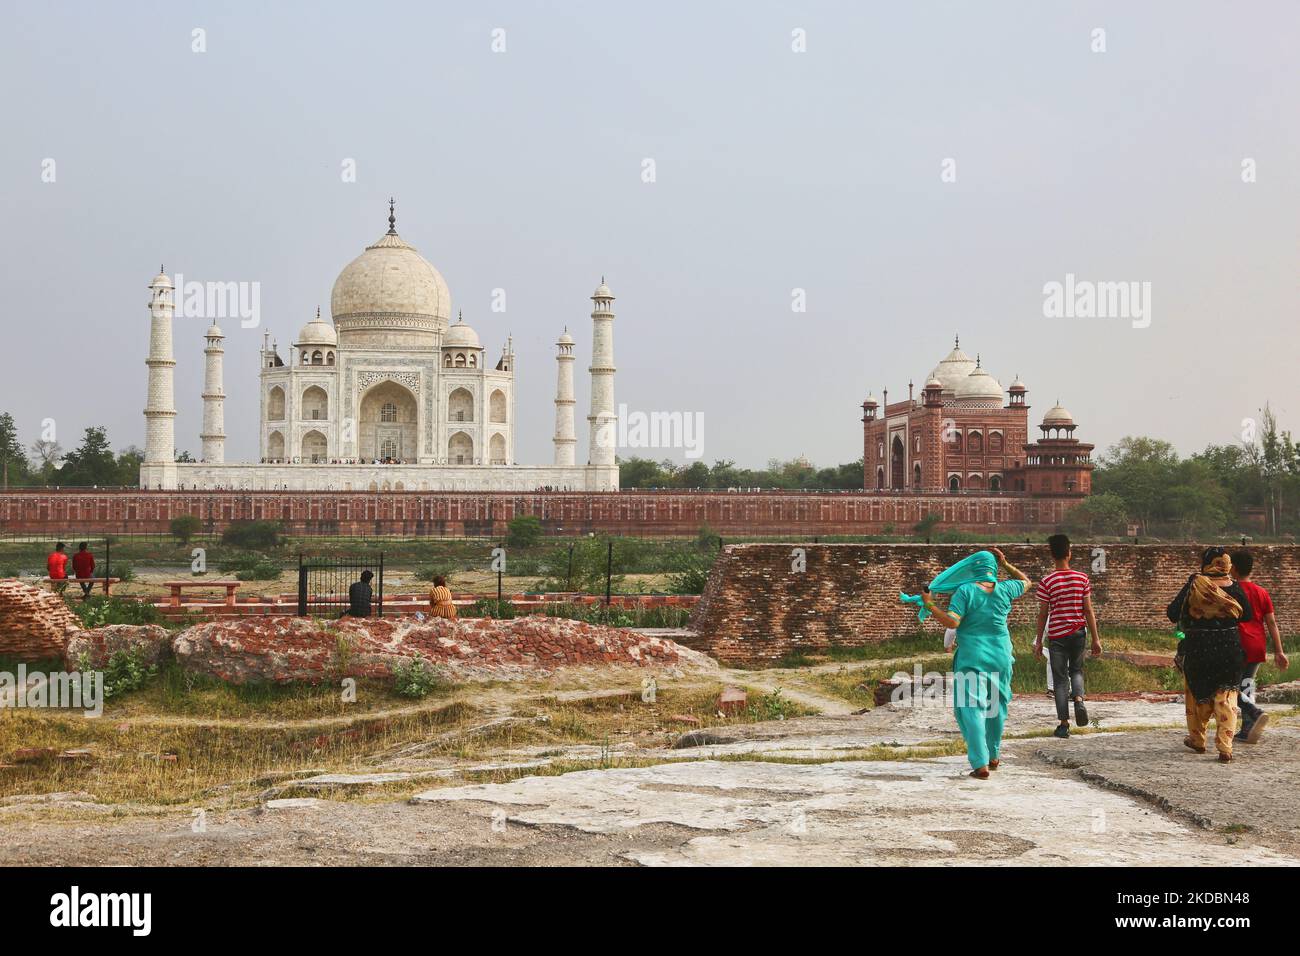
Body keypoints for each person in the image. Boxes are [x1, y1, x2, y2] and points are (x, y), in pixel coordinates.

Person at [902, 547, 1031, 780]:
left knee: (971, 707)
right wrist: (1006, 564)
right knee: (997, 706)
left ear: (974, 569)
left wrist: (929, 604)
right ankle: (994, 755)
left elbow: (952, 623)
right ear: (993, 569)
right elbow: (1027, 581)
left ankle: (980, 763)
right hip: (1001, 654)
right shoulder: (1005, 589)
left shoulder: (965, 591)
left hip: (973, 656)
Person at [1167, 547, 1251, 762]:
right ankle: (1225, 746)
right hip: (1228, 647)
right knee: (1227, 694)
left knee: (1197, 693)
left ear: (1206, 563)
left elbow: (1173, 613)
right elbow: (1247, 614)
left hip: (1198, 646)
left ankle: (1198, 740)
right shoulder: (1235, 587)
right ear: (1226, 564)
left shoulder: (1196, 584)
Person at [1034, 534, 1103, 738]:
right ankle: (1079, 700)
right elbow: (1088, 610)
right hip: (1078, 632)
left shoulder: (1047, 581)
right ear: (1069, 553)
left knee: (1060, 679)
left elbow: (1043, 614)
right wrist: (1096, 639)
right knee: (1077, 671)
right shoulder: (1082, 578)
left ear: (1051, 555)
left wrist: (1039, 641)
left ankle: (1064, 724)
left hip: (1057, 636)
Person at [1230, 550, 1289, 744]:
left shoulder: (1230, 590)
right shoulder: (1261, 592)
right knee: (1247, 685)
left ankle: (1254, 712)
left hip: (1236, 645)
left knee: (1228, 687)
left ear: (1234, 568)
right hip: (1257, 645)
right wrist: (1279, 651)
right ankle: (1247, 729)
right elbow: (1271, 623)